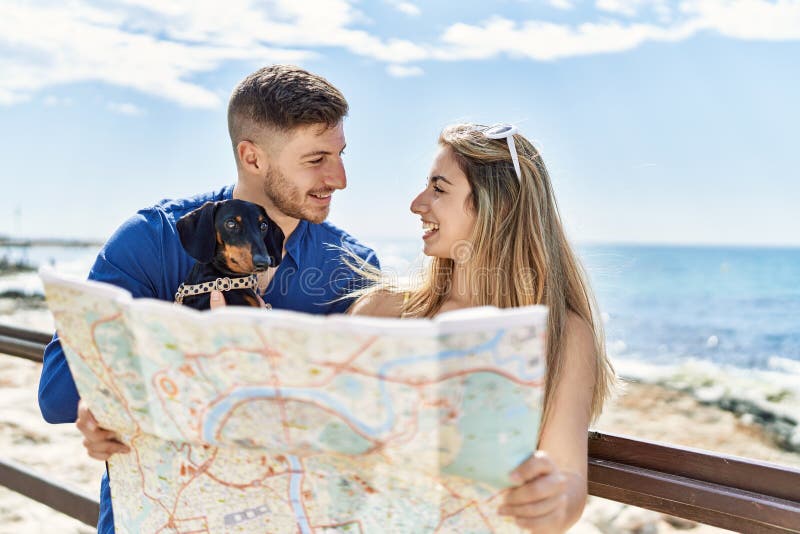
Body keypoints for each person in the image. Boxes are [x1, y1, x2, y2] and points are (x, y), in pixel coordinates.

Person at [37, 64, 378, 534]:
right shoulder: (151, 240)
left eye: (340, 153)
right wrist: (159, 359)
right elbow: (56, 397)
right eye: (316, 158)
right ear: (252, 157)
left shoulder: (352, 267)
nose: (339, 178)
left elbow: (371, 424)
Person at [348, 123, 615, 533]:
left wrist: (552, 500)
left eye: (439, 188)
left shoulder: (562, 334)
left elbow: (568, 480)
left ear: (498, 207)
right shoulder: (381, 311)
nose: (417, 204)